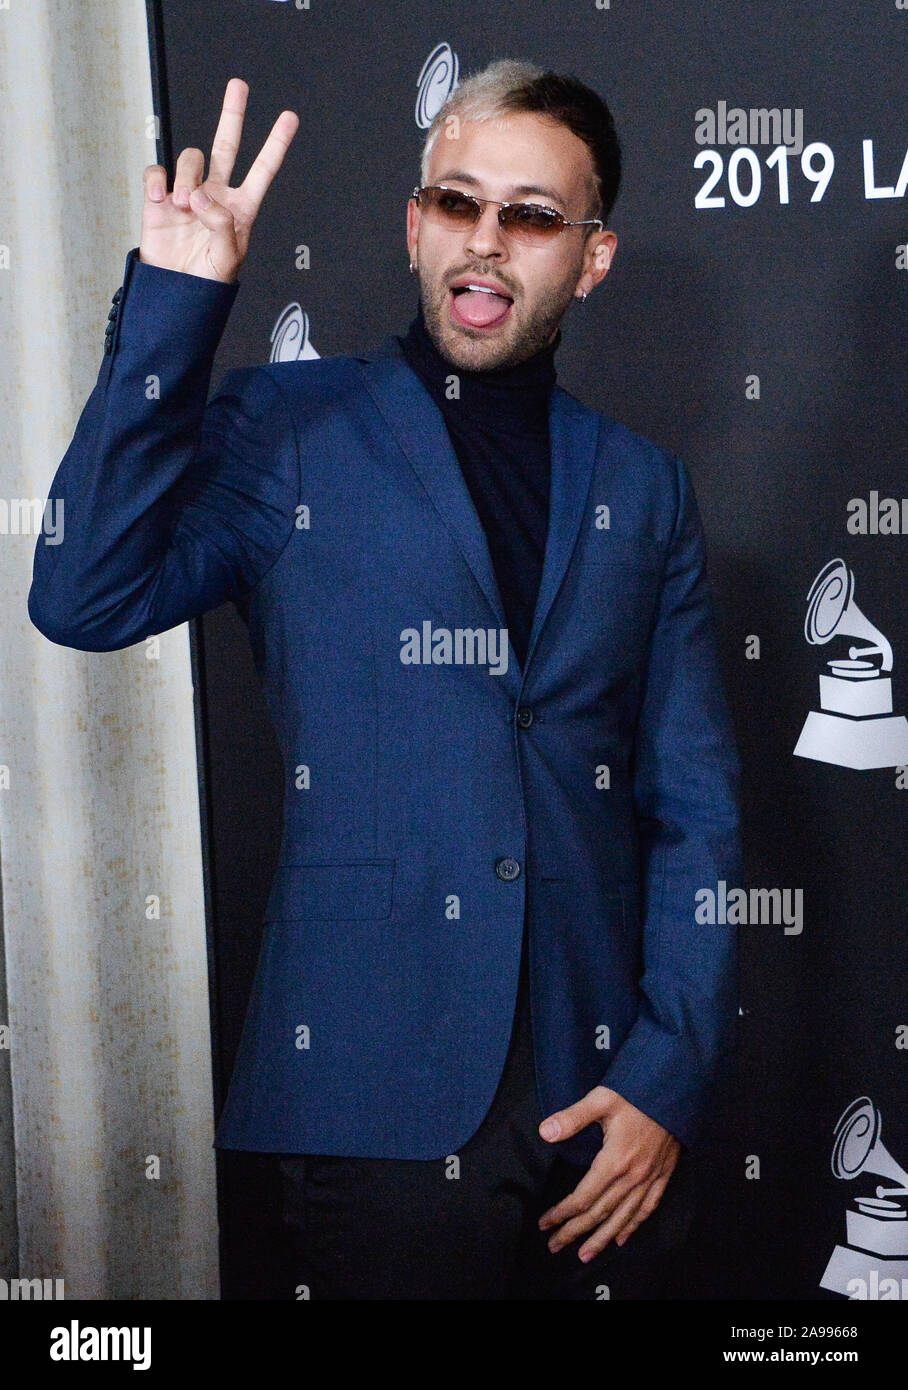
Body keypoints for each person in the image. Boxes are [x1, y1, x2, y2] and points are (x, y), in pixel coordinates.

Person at [28, 59, 743, 1300]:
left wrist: (664, 1078)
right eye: (457, 203)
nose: (484, 240)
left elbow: (695, 810)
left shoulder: (644, 487)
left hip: (601, 1110)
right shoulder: (285, 428)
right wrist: (174, 304)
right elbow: (82, 594)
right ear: (415, 226)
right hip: (367, 1100)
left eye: (530, 216)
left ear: (591, 258)